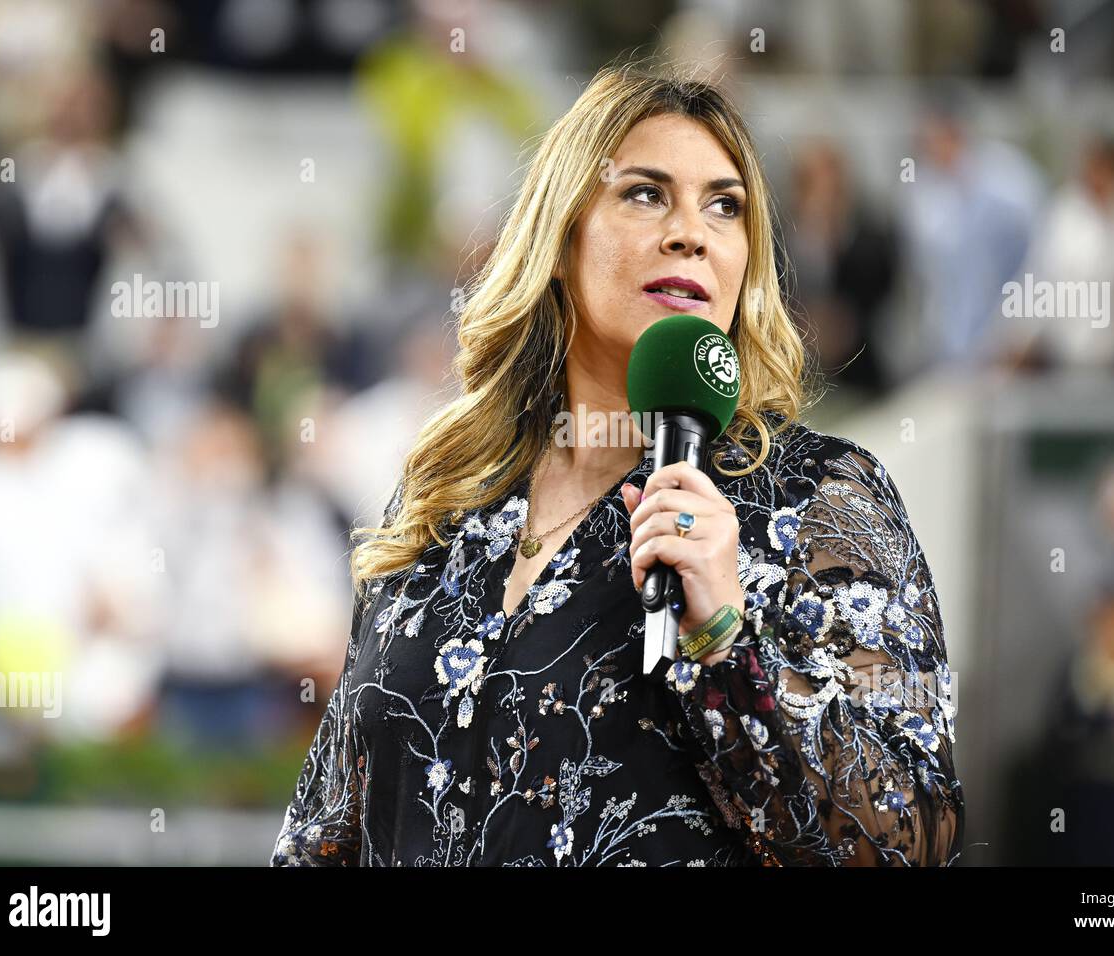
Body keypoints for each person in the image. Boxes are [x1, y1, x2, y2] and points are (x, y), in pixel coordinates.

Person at [270, 60, 965, 867]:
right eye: (645, 193)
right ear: (561, 239)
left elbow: (914, 837)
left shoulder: (816, 499)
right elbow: (321, 832)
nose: (690, 232)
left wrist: (724, 643)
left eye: (725, 206)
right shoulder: (443, 504)